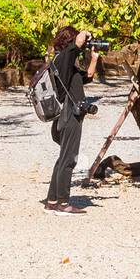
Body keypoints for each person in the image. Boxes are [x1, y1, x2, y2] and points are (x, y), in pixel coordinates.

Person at [45, 27, 99, 214]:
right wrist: (82, 34)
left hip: (68, 115)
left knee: (63, 158)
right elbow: (74, 47)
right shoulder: (63, 58)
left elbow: (87, 78)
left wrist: (94, 59)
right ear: (71, 40)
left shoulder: (64, 62)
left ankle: (52, 201)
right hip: (69, 116)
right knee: (69, 159)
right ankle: (62, 203)